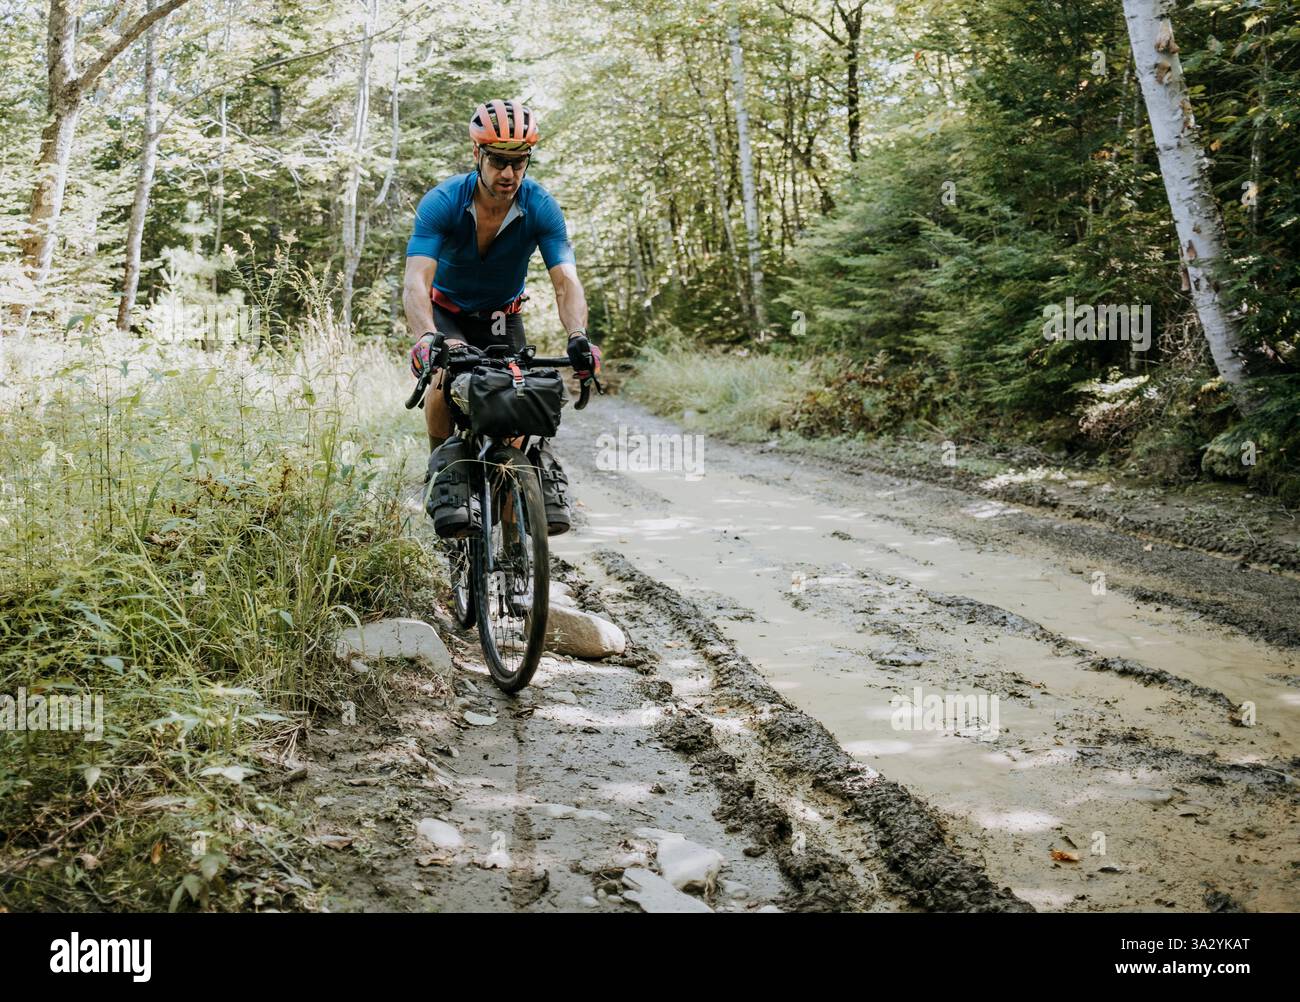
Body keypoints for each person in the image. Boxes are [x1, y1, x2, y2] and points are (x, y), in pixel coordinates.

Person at [403, 99, 599, 535]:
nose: (508, 173)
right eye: (498, 161)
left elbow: (566, 281)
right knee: (442, 384)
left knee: (516, 406)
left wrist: (579, 335)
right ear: (478, 156)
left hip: (501, 317)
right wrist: (426, 337)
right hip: (447, 314)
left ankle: (513, 548)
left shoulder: (540, 206)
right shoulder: (443, 202)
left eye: (518, 162)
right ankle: (442, 474)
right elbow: (416, 281)